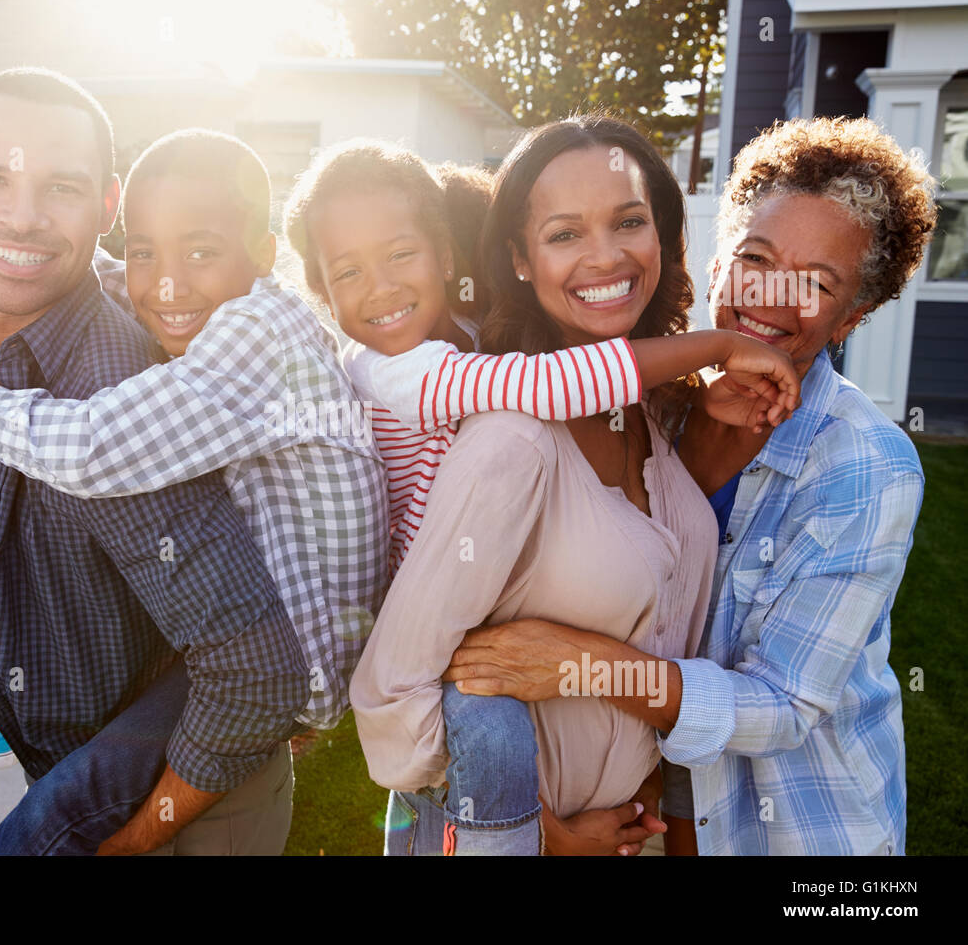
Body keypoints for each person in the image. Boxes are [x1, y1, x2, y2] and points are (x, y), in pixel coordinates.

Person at [285, 135, 801, 854]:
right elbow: (391, 694)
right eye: (564, 234)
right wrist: (530, 827)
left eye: (629, 221)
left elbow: (655, 593)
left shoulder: (650, 414)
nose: (605, 257)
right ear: (520, 259)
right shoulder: (508, 431)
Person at [445, 115, 936, 856]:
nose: (772, 296)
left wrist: (576, 666)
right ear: (716, 265)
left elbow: (781, 709)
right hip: (635, 814)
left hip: (801, 833)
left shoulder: (864, 467)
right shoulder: (647, 409)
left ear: (853, 315)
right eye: (756, 258)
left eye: (818, 283)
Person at [0, 68, 308, 856]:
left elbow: (256, 669)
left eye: (61, 186)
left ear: (107, 205)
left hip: (182, 802)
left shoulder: (121, 396)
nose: (21, 217)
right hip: (83, 766)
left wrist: (131, 840)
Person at [0, 129, 388, 739]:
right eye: (145, 252)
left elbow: (96, 448)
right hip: (230, 632)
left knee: (53, 828)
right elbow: (73, 271)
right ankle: (16, 692)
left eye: (200, 253)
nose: (166, 285)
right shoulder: (211, 302)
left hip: (283, 670)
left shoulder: (262, 333)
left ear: (263, 255)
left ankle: (22, 707)